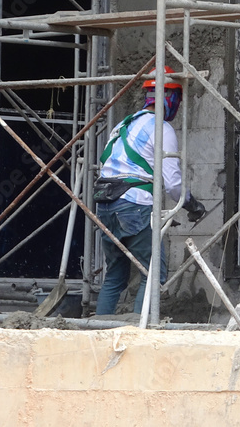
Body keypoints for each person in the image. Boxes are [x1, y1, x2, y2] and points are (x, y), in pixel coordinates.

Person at [93, 66, 206, 315]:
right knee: (153, 272)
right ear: (171, 97)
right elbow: (172, 182)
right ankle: (140, 331)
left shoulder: (123, 125)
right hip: (134, 204)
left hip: (105, 204)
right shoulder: (161, 129)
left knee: (115, 276)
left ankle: (98, 329)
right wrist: (192, 204)